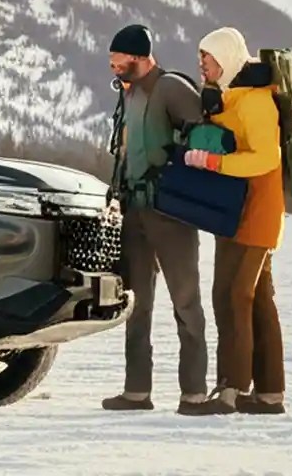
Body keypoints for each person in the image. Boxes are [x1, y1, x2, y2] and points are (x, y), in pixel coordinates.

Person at [102, 24, 210, 414]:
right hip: (135, 213)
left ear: (141, 57)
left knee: (186, 302)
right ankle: (136, 392)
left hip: (172, 214)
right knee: (136, 305)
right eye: (112, 62)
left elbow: (203, 137)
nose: (113, 68)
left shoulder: (172, 88)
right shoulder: (129, 94)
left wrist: (175, 168)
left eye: (119, 61)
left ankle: (194, 394)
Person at [180, 26, 287, 416]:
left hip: (258, 211)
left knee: (235, 295)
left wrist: (214, 162)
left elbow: (265, 158)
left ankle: (232, 389)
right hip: (235, 211)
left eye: (206, 57)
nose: (202, 63)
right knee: (254, 297)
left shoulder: (256, 102)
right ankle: (269, 393)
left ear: (225, 57)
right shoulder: (233, 98)